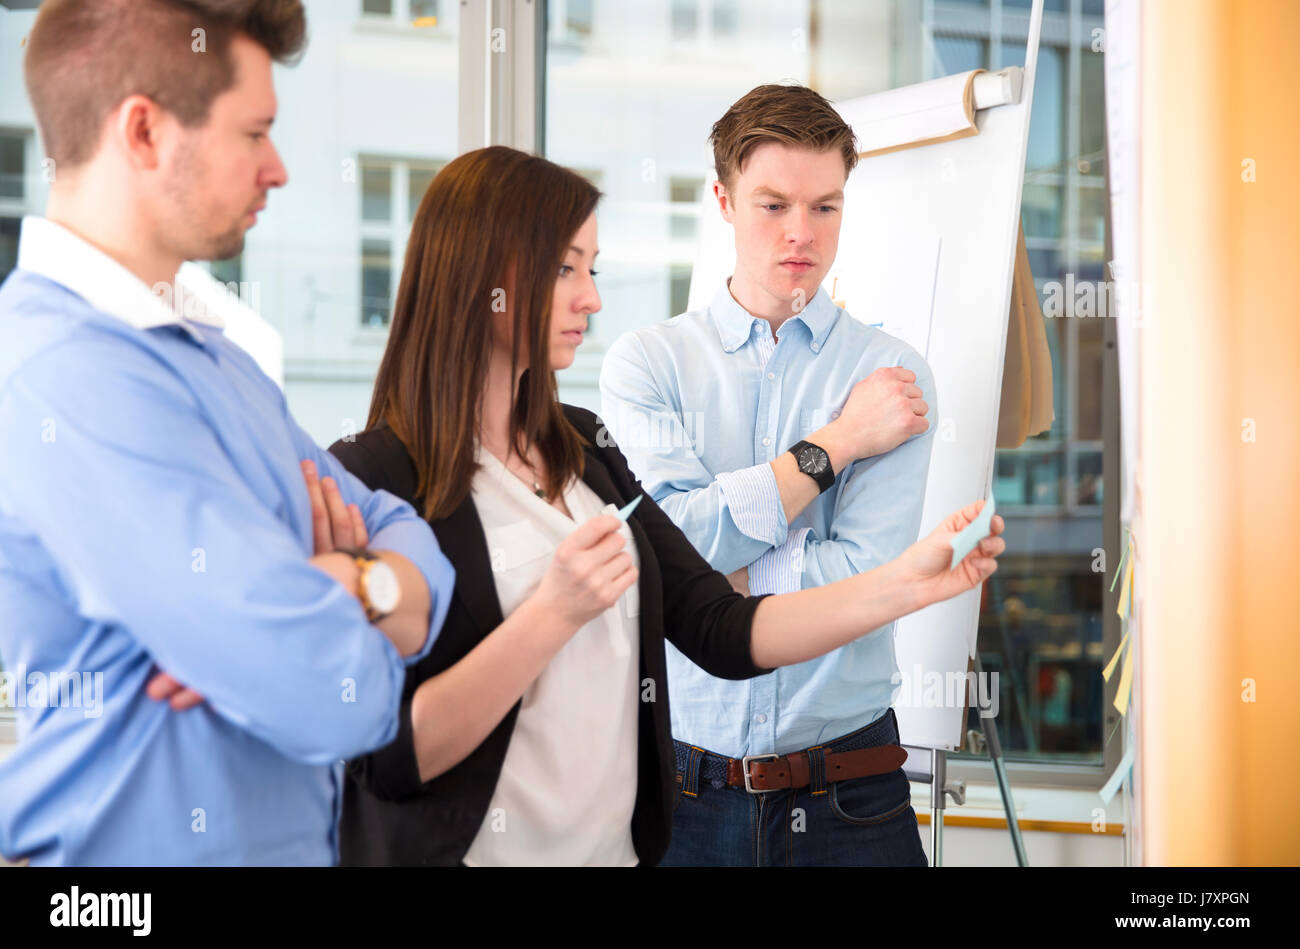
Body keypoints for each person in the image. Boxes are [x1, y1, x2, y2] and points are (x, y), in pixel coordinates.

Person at [329, 144, 1003, 866]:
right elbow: (386, 753)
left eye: (593, 269)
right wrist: (555, 611)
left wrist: (907, 581)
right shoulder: (370, 478)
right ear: (479, 274)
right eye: (564, 268)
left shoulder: (586, 448)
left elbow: (720, 627)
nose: (589, 297)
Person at [0, 0, 453, 865]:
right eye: (255, 134)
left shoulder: (218, 359)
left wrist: (352, 586)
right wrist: (339, 614)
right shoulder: (62, 375)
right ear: (143, 132)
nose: (278, 170)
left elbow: (413, 545)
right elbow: (337, 694)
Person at [598, 82, 938, 865]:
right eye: (773, 204)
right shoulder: (647, 365)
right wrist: (840, 443)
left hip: (851, 796)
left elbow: (868, 578)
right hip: (680, 794)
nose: (802, 234)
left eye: (826, 207)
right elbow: (671, 546)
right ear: (722, 200)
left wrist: (715, 580)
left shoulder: (893, 374)